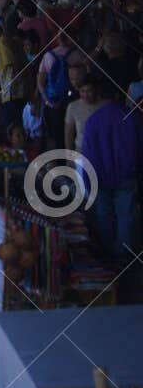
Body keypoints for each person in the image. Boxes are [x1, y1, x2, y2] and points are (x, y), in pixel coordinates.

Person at [80, 79, 143, 261]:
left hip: (100, 177)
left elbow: (88, 154)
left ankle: (108, 256)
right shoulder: (132, 118)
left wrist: (86, 181)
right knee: (126, 217)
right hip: (127, 176)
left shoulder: (93, 121)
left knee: (103, 216)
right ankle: (123, 256)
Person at [64, 71, 102, 153]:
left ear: (96, 90)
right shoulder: (73, 106)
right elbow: (69, 134)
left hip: (101, 151)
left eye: (89, 91)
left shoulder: (106, 106)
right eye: (82, 91)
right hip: (81, 151)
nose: (85, 95)